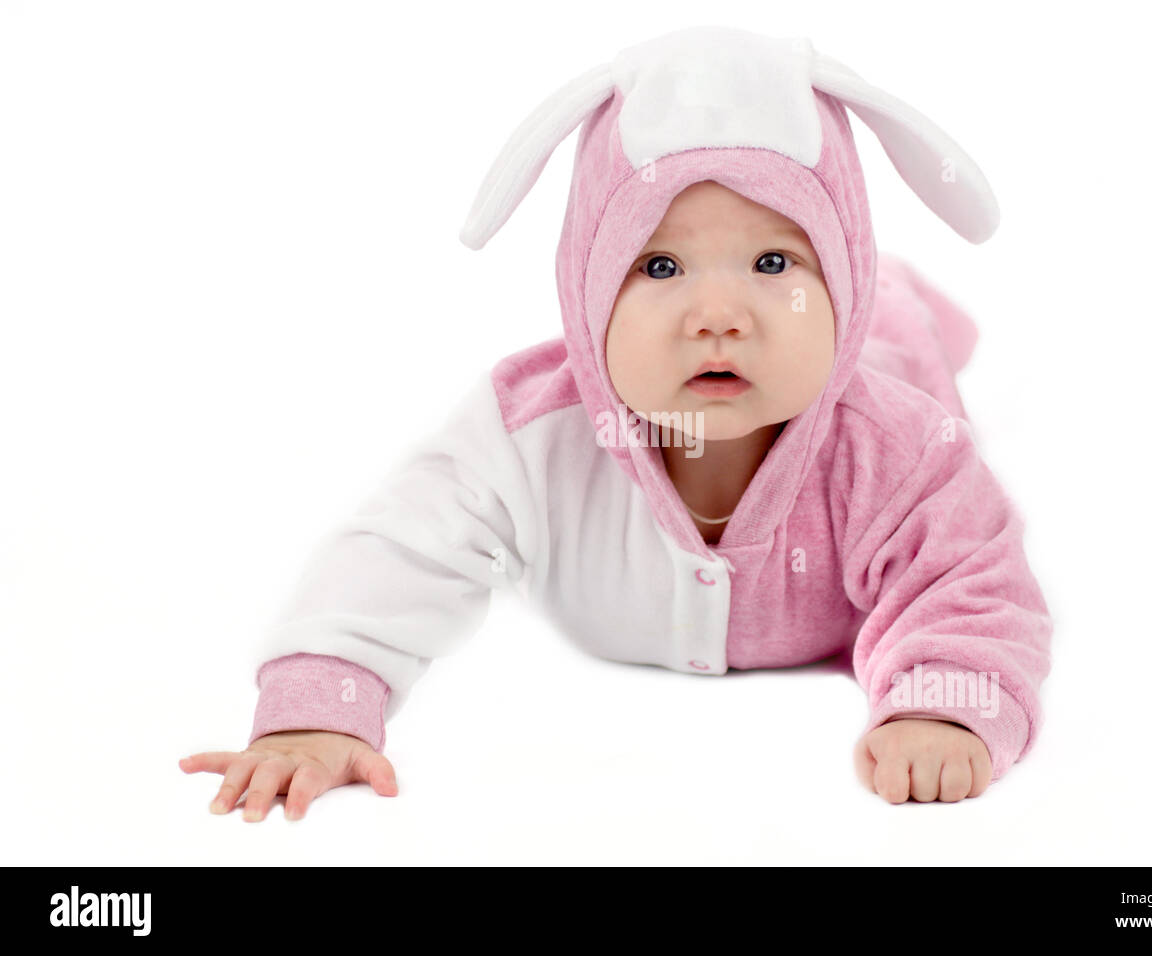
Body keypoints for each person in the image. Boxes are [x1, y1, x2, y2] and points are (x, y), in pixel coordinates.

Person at [180, 25, 1052, 819]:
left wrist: (945, 700)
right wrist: (321, 701)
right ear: (587, 287)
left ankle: (903, 301)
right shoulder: (532, 435)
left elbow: (970, 575)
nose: (718, 314)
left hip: (885, 353)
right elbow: (405, 547)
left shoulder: (901, 449)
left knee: (905, 347)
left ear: (838, 276)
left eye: (774, 260)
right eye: (662, 264)